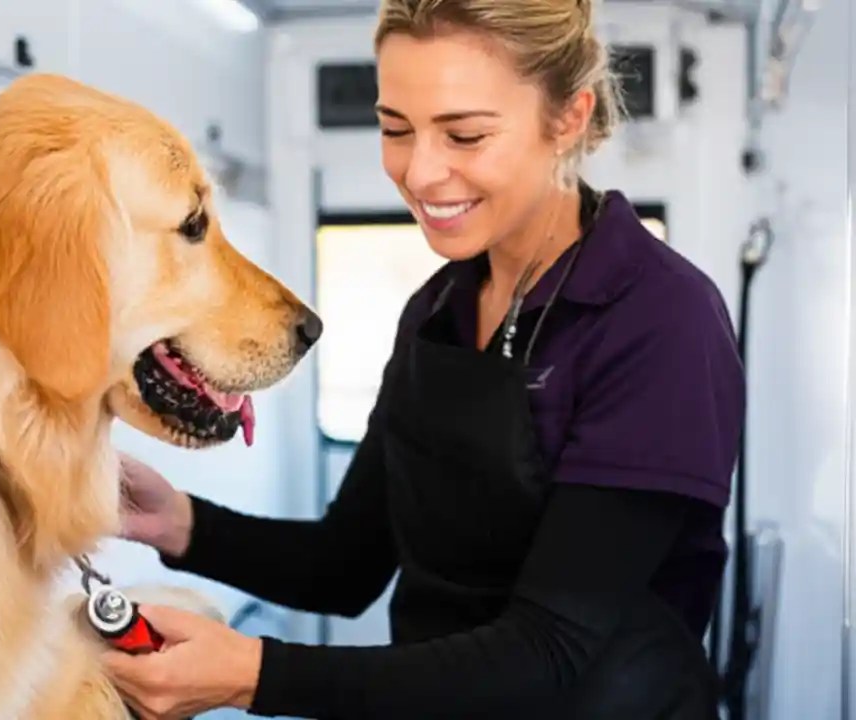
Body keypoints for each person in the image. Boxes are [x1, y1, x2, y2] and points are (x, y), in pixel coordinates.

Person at [101, 0, 745, 717]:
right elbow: (344, 565)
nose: (421, 172)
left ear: (567, 118)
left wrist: (256, 674)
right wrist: (176, 521)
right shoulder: (437, 310)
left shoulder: (657, 319)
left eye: (465, 134)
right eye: (395, 129)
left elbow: (550, 650)